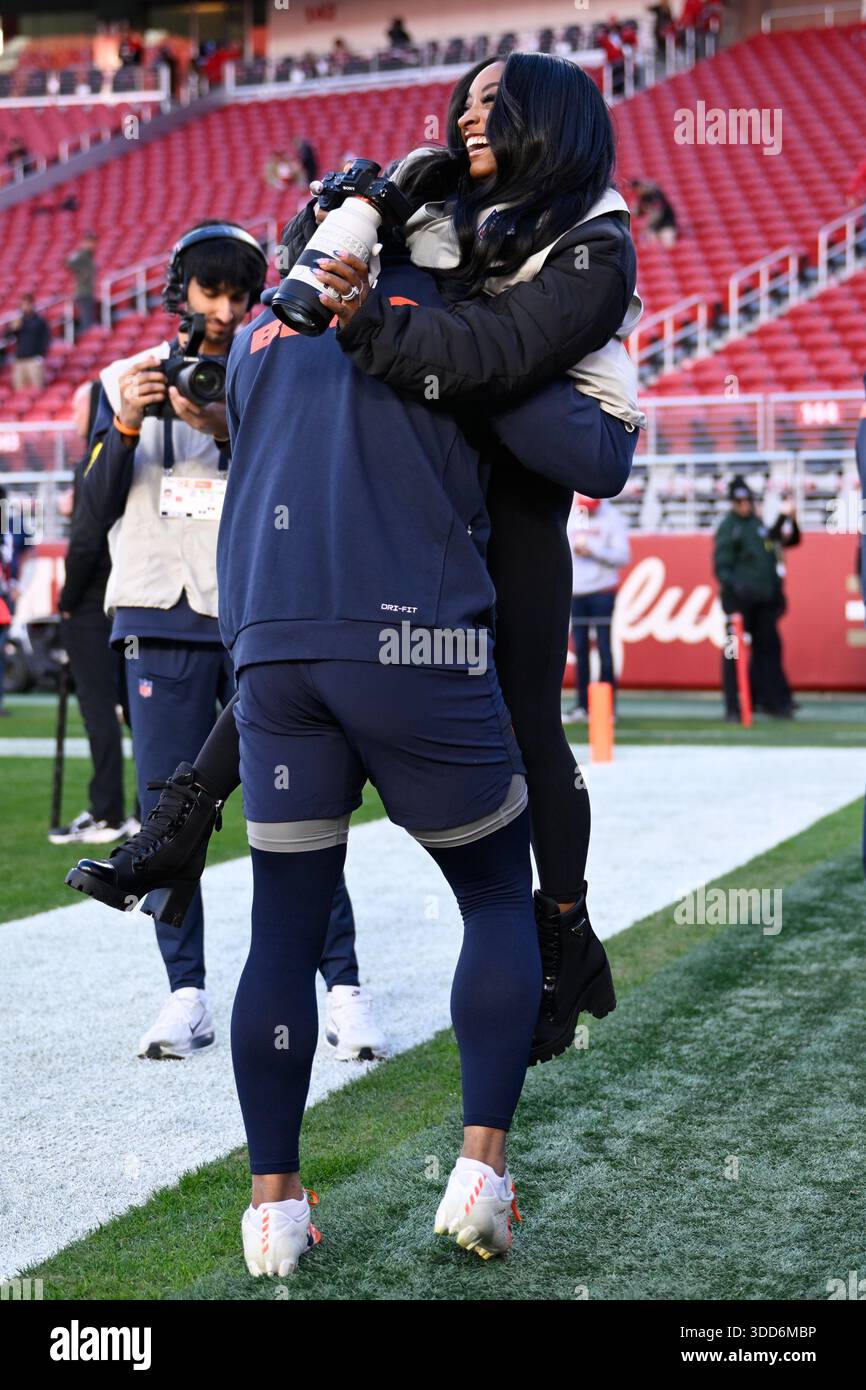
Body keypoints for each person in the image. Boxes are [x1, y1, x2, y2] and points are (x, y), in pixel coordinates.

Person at [70, 52, 642, 1077]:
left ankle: (562, 931)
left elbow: (505, 363)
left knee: (524, 729)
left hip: (517, 506)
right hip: (437, 488)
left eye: (490, 105)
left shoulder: (591, 235)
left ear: (547, 119)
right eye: (460, 101)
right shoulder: (430, 191)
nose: (468, 118)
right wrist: (358, 223)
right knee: (309, 645)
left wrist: (390, 320)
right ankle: (183, 816)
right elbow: (344, 309)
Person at [65, 222, 386, 1066]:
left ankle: (343, 987)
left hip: (256, 612)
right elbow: (89, 519)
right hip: (157, 617)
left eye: (242, 293)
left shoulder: (275, 364)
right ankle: (186, 991)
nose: (227, 309)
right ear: (182, 293)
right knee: (171, 809)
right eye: (212, 291)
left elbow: (301, 478)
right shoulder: (116, 379)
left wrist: (225, 420)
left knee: (306, 803)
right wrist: (127, 425)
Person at [50, 381, 135, 845]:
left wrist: (66, 600)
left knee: (99, 709)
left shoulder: (96, 461)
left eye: (78, 406)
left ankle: (107, 811)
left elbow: (83, 545)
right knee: (136, 710)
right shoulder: (129, 456)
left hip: (91, 602)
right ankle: (145, 809)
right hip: (127, 595)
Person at [714, 476, 800, 721]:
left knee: (769, 650)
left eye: (747, 499)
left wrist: (787, 518)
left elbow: (781, 539)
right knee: (733, 652)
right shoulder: (729, 526)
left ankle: (772, 701)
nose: (744, 504)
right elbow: (721, 566)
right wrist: (736, 585)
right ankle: (732, 706)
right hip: (738, 602)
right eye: (739, 500)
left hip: (763, 602)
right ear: (732, 502)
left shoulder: (757, 523)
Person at [564, 494, 631, 721]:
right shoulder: (572, 513)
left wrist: (594, 552)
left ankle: (607, 707)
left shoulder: (611, 516)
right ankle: (583, 705)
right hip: (577, 592)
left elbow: (623, 556)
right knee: (580, 649)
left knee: (604, 648)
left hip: (603, 591)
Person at [10, 293, 50, 392]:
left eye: (28, 304)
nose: (25, 307)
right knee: (18, 392)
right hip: (19, 361)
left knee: (37, 389)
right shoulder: (18, 320)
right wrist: (14, 328)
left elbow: (46, 339)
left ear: (32, 304)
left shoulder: (40, 321)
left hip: (34, 359)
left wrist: (41, 355)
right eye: (23, 305)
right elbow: (8, 336)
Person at [65, 232, 98, 335]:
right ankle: (86, 336)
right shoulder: (81, 253)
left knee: (89, 316)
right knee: (86, 318)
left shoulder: (89, 255)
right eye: (91, 242)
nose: (93, 244)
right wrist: (80, 272)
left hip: (88, 291)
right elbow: (68, 262)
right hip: (83, 291)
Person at [630, 178, 678, 246]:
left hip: (666, 225)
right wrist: (635, 210)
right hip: (654, 228)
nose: (637, 192)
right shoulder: (642, 198)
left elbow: (658, 213)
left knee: (668, 245)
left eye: (637, 189)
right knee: (650, 246)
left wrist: (647, 226)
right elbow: (638, 213)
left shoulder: (655, 194)